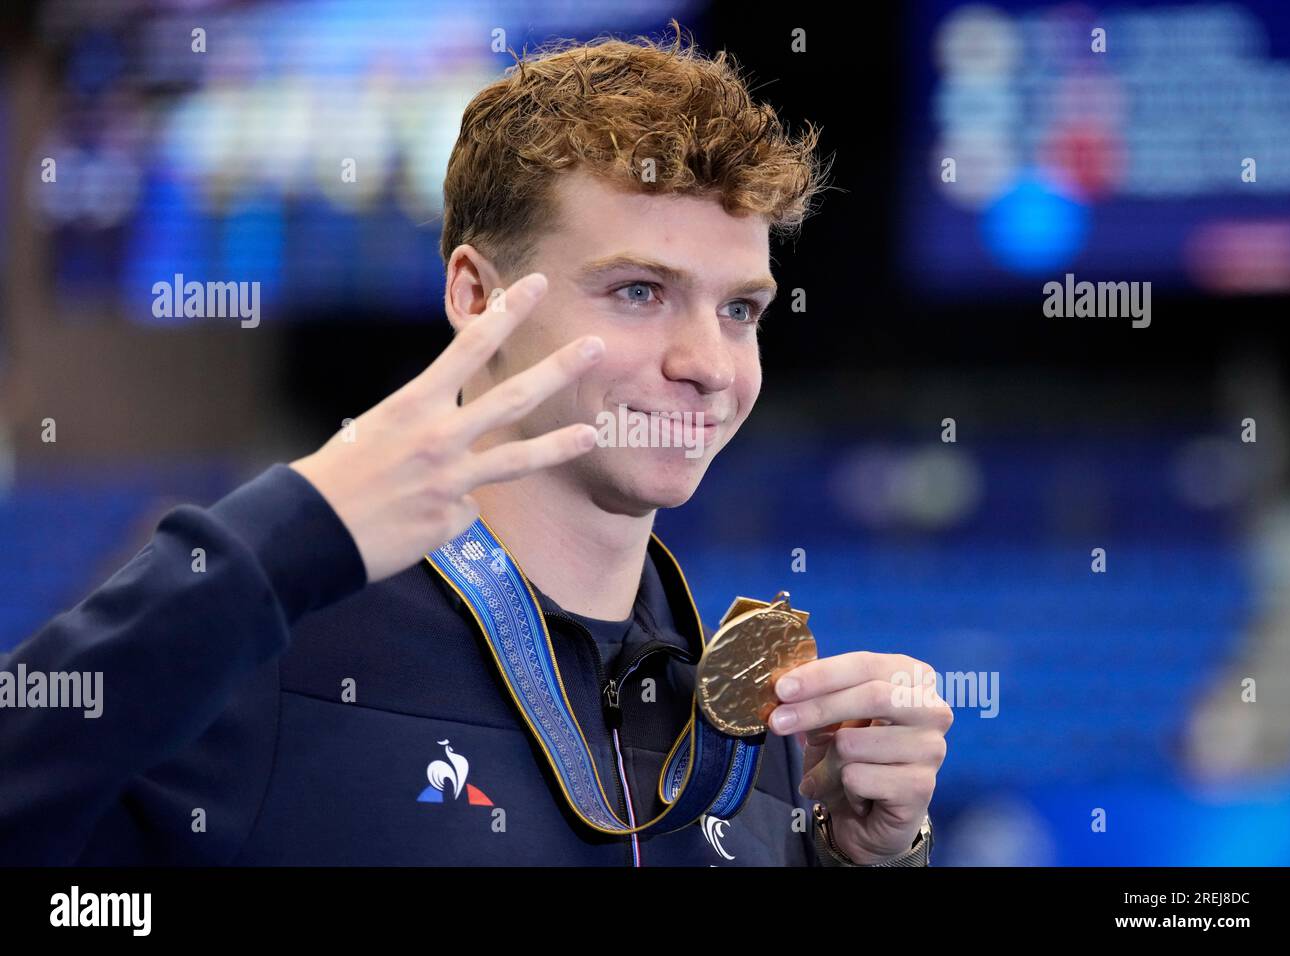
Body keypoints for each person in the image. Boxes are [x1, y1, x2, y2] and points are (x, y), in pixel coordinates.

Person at [0, 20, 950, 866]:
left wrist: (862, 858)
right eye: (638, 292)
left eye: (740, 309)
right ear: (474, 296)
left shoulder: (754, 718)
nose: (708, 362)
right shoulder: (275, 644)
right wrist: (280, 537)